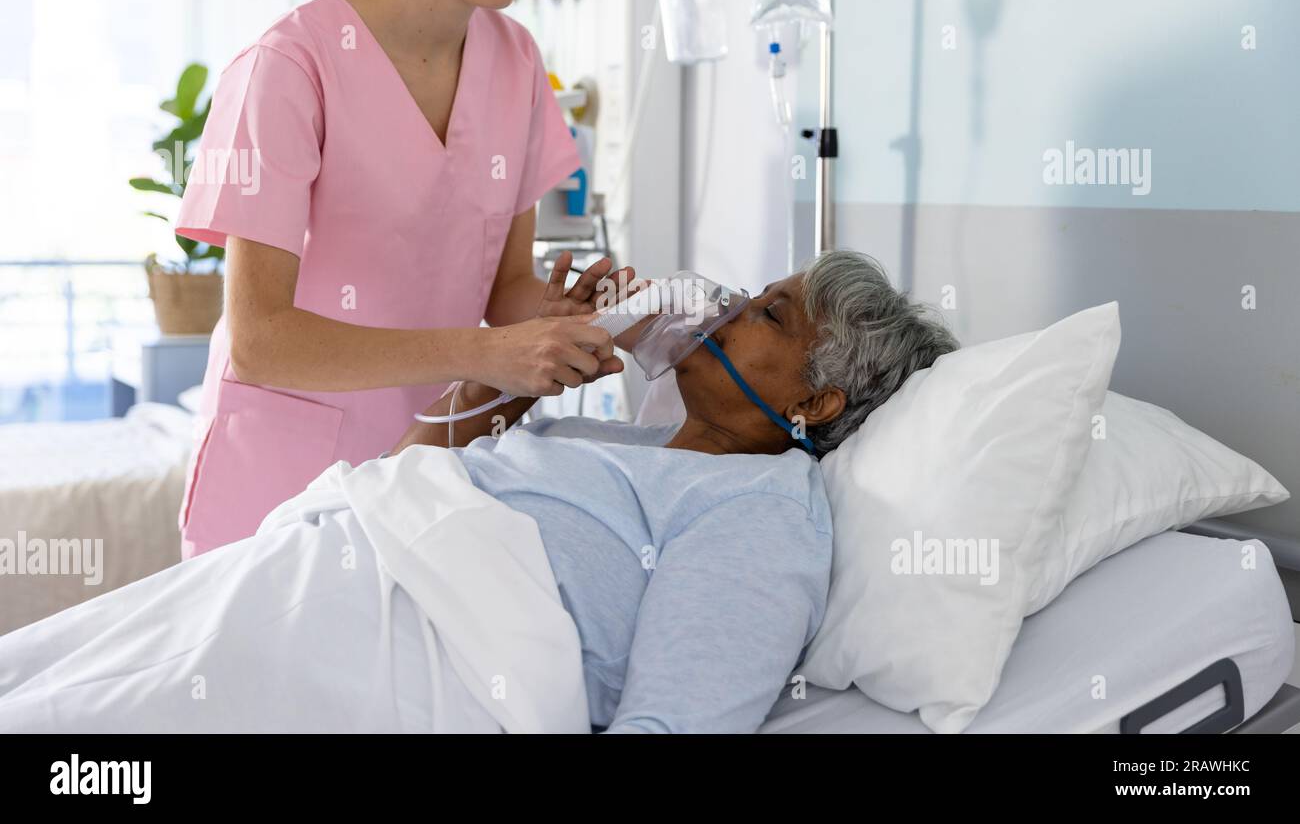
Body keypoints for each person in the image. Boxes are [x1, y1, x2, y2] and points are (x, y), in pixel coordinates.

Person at [0, 251, 960, 733]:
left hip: (408, 647)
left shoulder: (763, 516)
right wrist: (524, 363)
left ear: (817, 397)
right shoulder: (630, 430)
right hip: (331, 557)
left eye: (769, 315)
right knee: (42, 674)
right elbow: (420, 460)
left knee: (89, 728)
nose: (726, 308)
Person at [172, 0, 628, 557]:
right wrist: (488, 352)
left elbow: (506, 292)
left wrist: (581, 317)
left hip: (422, 473)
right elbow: (259, 339)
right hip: (278, 490)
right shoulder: (291, 66)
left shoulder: (518, 63)